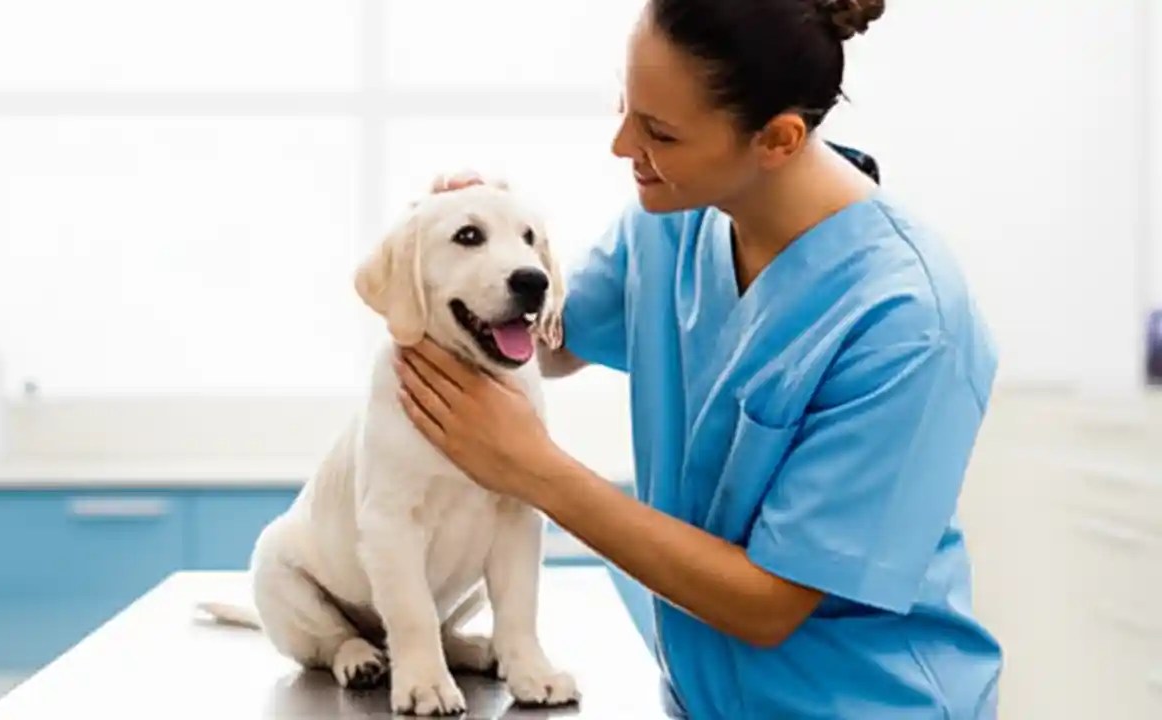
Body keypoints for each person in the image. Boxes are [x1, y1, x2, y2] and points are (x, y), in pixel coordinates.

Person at [391, 0, 1003, 717]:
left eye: (659, 131)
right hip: (702, 702)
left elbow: (768, 605)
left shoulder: (907, 322)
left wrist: (532, 468)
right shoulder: (674, 219)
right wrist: (487, 264)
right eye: (625, 106)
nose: (622, 145)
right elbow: (547, 342)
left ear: (778, 139)